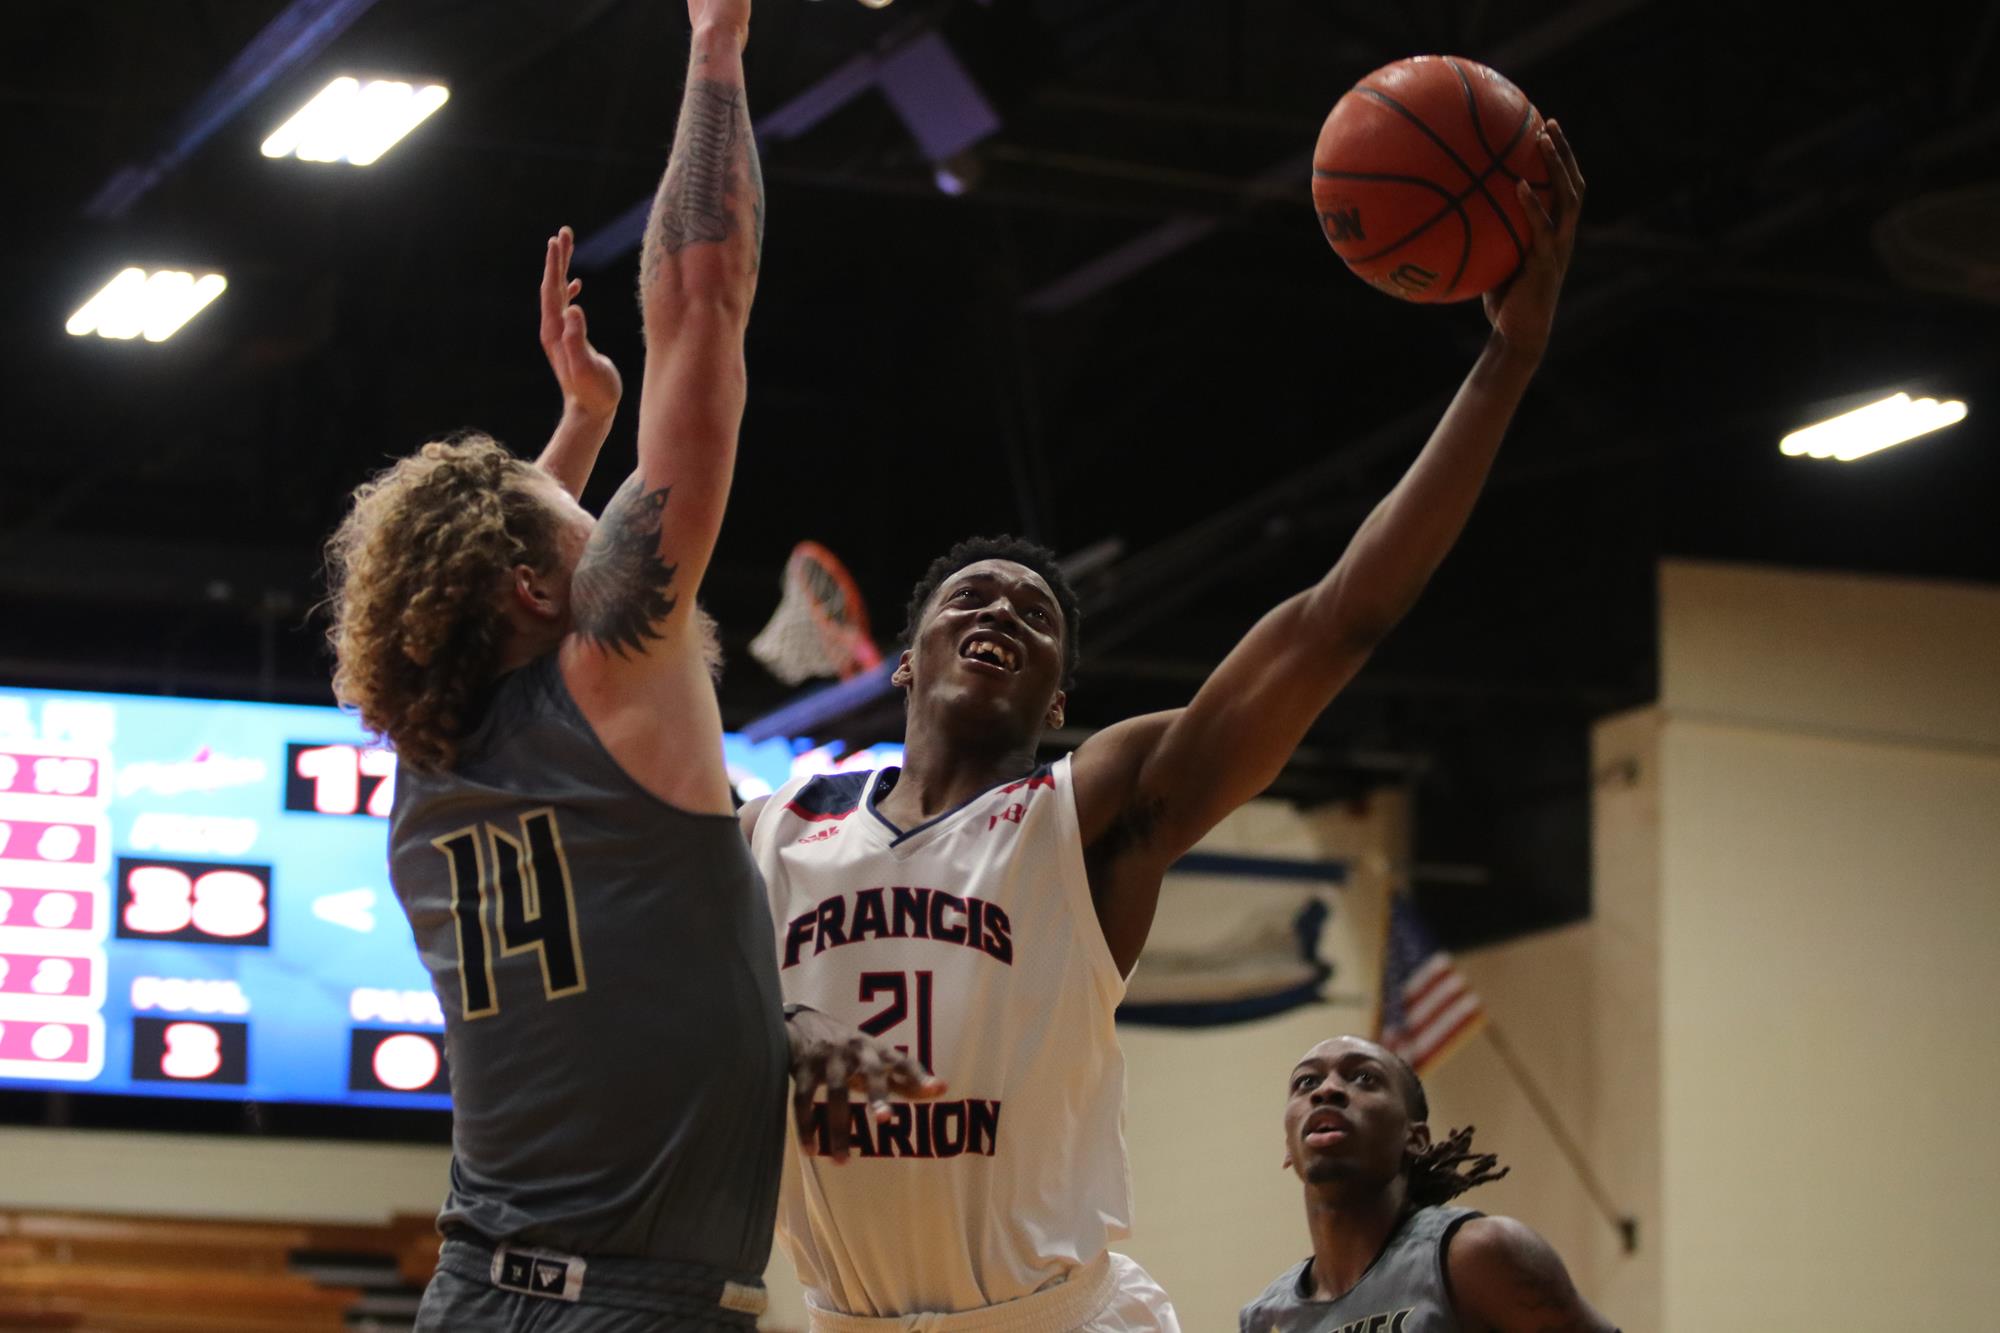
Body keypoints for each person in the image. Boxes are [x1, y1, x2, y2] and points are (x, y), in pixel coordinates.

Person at [741, 124, 1587, 1331]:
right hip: (844, 1314)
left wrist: (1504, 358)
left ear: (1059, 700)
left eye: (1034, 616)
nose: (998, 612)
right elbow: (663, 988)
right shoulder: (780, 827)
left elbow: (1332, 624)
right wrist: (781, 1025)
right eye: (967, 598)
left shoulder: (1085, 812)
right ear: (906, 664)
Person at [324, 4, 938, 1327]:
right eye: (582, 528)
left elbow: (488, 595)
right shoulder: (611, 677)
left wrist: (578, 427)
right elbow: (701, 299)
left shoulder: (426, 781)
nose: (612, 536)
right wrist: (715, 52)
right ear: (547, 590)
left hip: (482, 1289)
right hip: (627, 1306)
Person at [1241, 1035, 1616, 1332]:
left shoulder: (1478, 1255)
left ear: (1415, 1138)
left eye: (1363, 1078)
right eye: (1306, 1082)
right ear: (1289, 1147)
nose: (1327, 1090)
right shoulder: (1265, 1317)